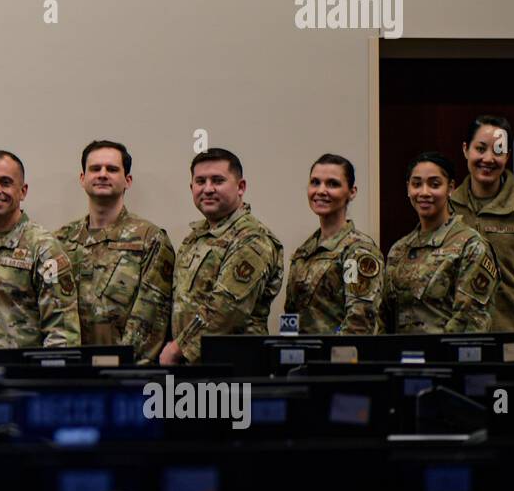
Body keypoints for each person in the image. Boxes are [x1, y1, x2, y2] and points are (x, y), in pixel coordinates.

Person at [161, 148, 283, 365]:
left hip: (233, 368)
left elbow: (226, 310)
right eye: (200, 181)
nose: (208, 189)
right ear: (191, 188)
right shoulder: (195, 238)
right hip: (195, 366)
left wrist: (177, 349)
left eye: (217, 180)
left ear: (241, 187)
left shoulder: (252, 239)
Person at [55, 140, 174, 362]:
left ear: (127, 180)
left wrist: (120, 365)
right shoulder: (60, 240)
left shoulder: (150, 239)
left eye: (112, 169)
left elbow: (150, 319)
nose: (102, 174)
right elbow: (52, 312)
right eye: (95, 168)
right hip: (70, 372)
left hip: (127, 374)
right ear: (83, 178)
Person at [0, 150, 79, 349]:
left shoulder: (43, 247)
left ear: (23, 191)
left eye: (5, 182)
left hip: (24, 376)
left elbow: (62, 331)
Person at [450, 115, 514, 344]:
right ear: (466, 150)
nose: (488, 158)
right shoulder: (447, 208)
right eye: (480, 148)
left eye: (498, 150)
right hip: (460, 340)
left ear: (507, 155)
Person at [382, 151, 498, 334]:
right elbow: (385, 317)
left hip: (448, 358)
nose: (424, 192)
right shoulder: (399, 250)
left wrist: (439, 358)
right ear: (408, 189)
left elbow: (469, 321)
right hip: (402, 359)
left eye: (434, 184)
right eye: (416, 184)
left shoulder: (470, 245)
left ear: (450, 188)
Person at [284, 154, 384, 334]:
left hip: (336, 358)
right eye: (315, 182)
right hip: (300, 357)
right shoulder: (305, 251)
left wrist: (333, 359)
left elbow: (359, 322)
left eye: (333, 184)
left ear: (352, 192)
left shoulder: (357, 250)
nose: (321, 190)